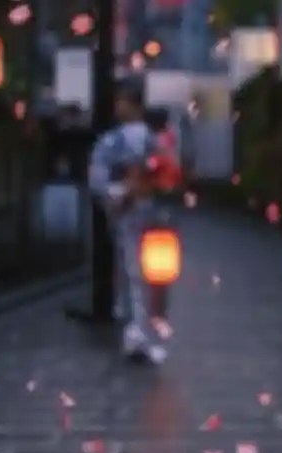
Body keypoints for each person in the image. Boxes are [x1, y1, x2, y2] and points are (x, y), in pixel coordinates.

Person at [88, 84, 167, 364]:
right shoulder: (152, 140)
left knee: (136, 272)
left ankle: (137, 330)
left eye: (122, 101)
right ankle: (138, 330)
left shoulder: (118, 140)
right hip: (144, 212)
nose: (118, 106)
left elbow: (98, 178)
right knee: (138, 273)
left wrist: (117, 193)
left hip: (135, 212)